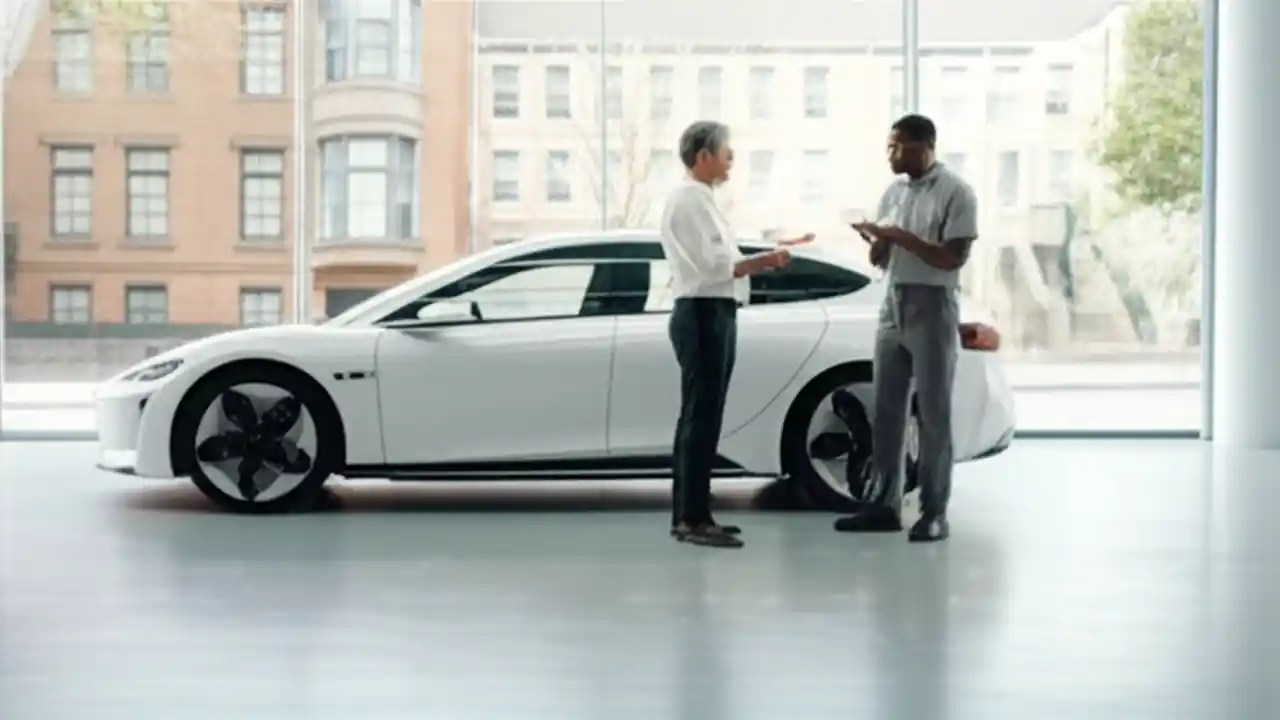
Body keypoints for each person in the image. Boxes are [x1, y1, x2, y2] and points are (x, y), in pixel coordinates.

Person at [661, 120, 810, 549]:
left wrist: (773, 248)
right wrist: (765, 261)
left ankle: (695, 515)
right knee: (699, 419)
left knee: (702, 417)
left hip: (712, 311)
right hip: (704, 313)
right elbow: (713, 267)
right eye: (727, 152)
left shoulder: (701, 200)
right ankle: (690, 519)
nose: (731, 160)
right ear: (704, 155)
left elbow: (720, 255)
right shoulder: (690, 200)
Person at [835, 114, 979, 543]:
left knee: (934, 414)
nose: (890, 154)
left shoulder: (957, 193)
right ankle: (884, 505)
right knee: (887, 412)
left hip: (933, 305)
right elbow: (881, 260)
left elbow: (952, 258)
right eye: (888, 145)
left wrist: (902, 236)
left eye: (897, 146)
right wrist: (878, 240)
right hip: (892, 302)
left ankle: (935, 513)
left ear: (925, 145)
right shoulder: (893, 191)